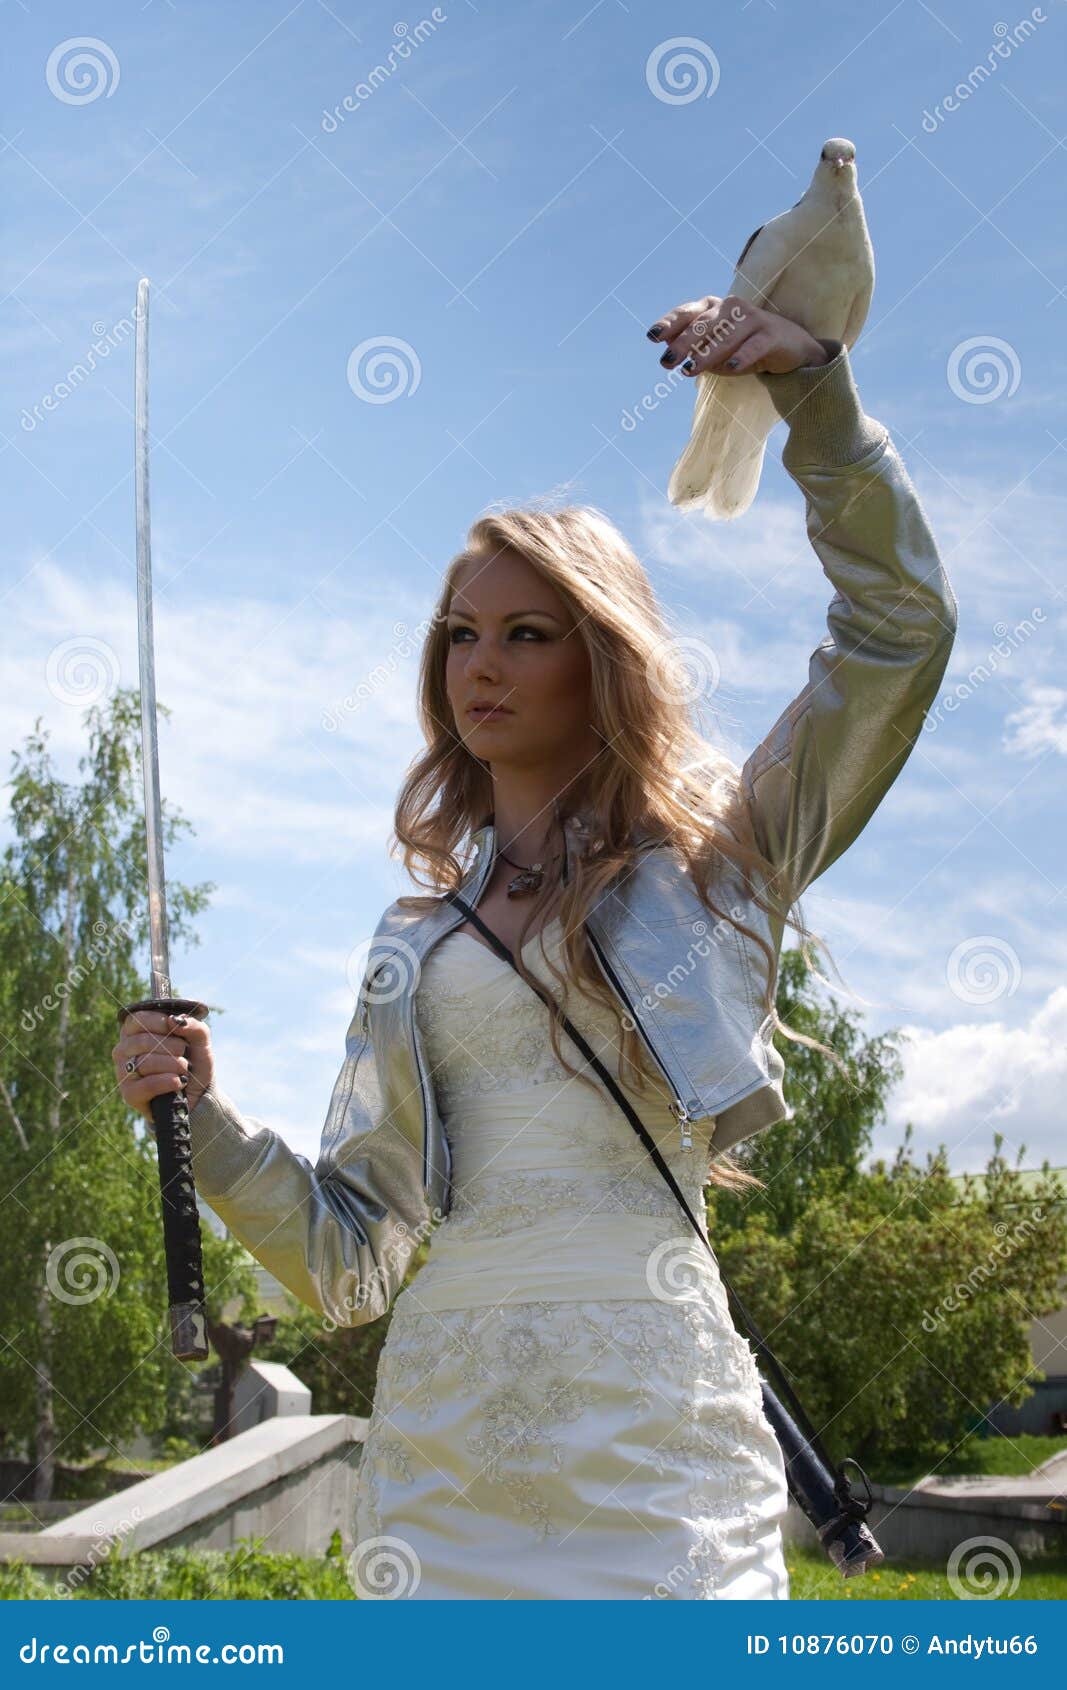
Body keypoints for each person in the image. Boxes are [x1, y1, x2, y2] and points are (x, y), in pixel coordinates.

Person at [113, 294, 958, 1599]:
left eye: (525, 632)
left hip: (661, 1433)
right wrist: (203, 1122)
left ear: (601, 657)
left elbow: (899, 631)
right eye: (461, 633)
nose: (479, 665)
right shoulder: (417, 949)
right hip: (455, 1457)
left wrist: (816, 395)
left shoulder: (722, 862)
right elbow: (350, 1261)